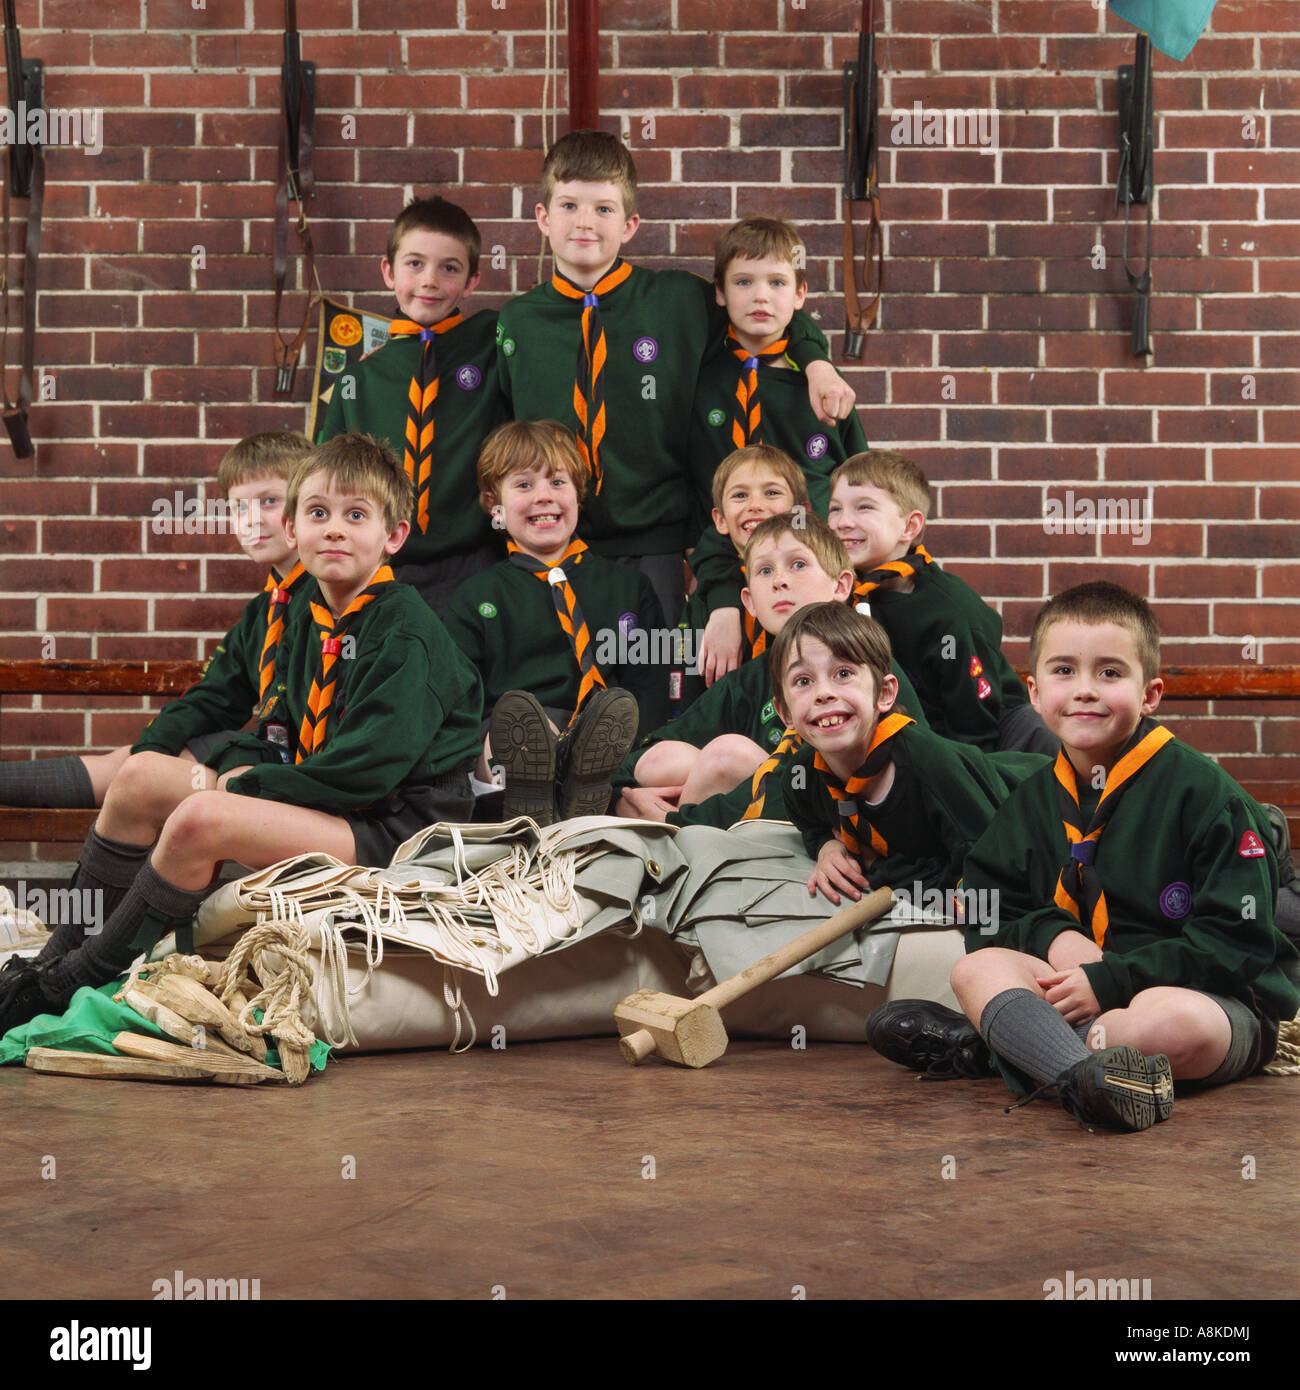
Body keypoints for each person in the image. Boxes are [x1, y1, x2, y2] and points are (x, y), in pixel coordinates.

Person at [0, 434, 483, 1034]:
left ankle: (70, 982)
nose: (334, 530)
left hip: (395, 827)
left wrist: (247, 783)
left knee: (204, 818)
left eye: (355, 515)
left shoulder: (404, 627)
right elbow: (278, 730)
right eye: (318, 514)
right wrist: (234, 767)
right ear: (295, 527)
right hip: (337, 802)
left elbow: (367, 769)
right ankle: (50, 961)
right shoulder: (310, 616)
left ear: (393, 536)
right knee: (141, 777)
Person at [877, 582, 1299, 1133]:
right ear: (1033, 691)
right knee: (976, 967)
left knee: (1165, 1025)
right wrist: (1052, 935)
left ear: (1150, 694)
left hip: (1207, 1001)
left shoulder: (1208, 798)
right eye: (1063, 671)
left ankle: (1008, 1049)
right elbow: (987, 909)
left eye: (1109, 672)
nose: (1084, 691)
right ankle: (1088, 1080)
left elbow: (1236, 945)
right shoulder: (1030, 801)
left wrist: (1112, 980)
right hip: (1076, 991)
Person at [495, 129, 856, 624]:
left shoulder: (677, 301)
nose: (584, 223)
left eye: (603, 209)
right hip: (548, 536)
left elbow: (769, 310)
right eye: (568, 206)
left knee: (650, 675)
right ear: (542, 217)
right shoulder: (516, 322)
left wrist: (816, 362)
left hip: (657, 544)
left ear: (630, 224)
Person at [0, 430, 313, 810]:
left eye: (269, 501)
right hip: (266, 752)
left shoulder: (330, 595)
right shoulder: (262, 612)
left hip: (309, 767)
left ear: (307, 504)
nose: (251, 519)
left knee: (139, 779)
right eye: (238, 507)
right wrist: (151, 747)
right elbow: (214, 698)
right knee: (131, 764)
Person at [614, 514, 929, 823]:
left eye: (798, 565)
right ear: (750, 602)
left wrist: (681, 818)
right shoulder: (749, 679)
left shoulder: (867, 663)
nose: (780, 580)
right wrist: (622, 798)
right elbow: (650, 751)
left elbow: (912, 772)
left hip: (831, 823)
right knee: (659, 759)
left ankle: (670, 837)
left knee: (729, 754)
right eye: (765, 570)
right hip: (740, 824)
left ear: (841, 585)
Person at [441, 420, 665, 825]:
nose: (544, 497)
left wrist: (623, 773)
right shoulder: (475, 598)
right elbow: (461, 705)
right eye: (524, 485)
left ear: (578, 494)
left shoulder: (631, 588)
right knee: (519, 728)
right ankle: (534, 815)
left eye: (558, 483)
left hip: (610, 746)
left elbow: (650, 690)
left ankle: (591, 791)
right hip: (516, 749)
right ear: (495, 505)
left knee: (677, 756)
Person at [686, 216, 870, 687]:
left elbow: (860, 485)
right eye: (744, 282)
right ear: (721, 294)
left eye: (777, 282)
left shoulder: (825, 392)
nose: (761, 296)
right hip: (724, 574)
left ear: (800, 294)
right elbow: (707, 508)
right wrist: (723, 593)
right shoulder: (698, 380)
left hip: (816, 579)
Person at [771, 602, 1045, 907]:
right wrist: (825, 847)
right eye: (803, 681)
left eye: (843, 673)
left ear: (885, 694)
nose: (823, 693)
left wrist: (891, 875)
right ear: (785, 712)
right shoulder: (802, 778)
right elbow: (808, 821)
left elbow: (991, 875)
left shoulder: (928, 763)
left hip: (1041, 802)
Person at [317, 196, 507, 613]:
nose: (430, 281)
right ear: (388, 271)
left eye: (449, 268)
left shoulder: (494, 344)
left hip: (477, 564)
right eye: (415, 264)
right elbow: (325, 478)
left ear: (473, 281)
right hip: (384, 569)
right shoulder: (359, 379)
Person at [827, 449, 1056, 755]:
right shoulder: (837, 590)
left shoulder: (950, 612)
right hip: (907, 733)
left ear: (909, 527)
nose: (842, 522)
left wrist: (957, 775)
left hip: (988, 737)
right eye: (835, 509)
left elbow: (975, 717)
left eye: (864, 507)